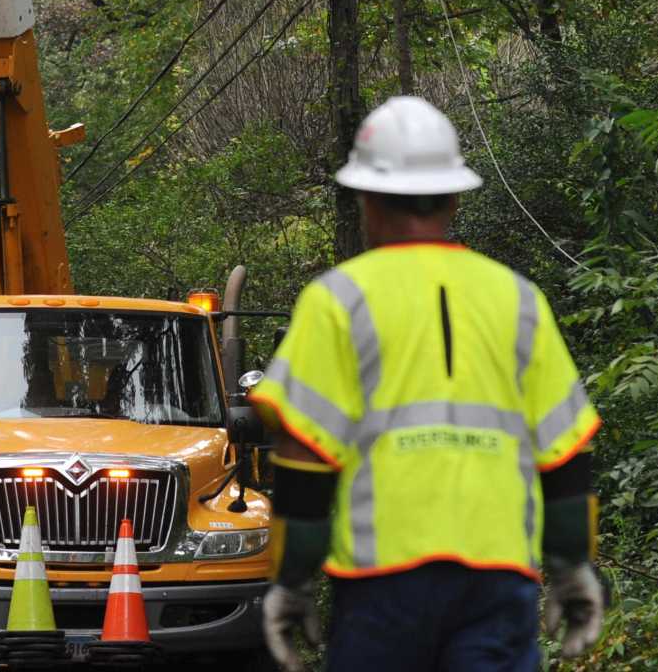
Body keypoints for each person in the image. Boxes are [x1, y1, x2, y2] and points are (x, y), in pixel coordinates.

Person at [249, 96, 607, 671]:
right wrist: (571, 566)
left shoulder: (338, 300)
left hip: (380, 585)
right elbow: (566, 452)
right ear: (456, 198)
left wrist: (290, 582)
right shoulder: (518, 300)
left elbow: (304, 458)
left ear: (365, 198)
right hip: (499, 579)